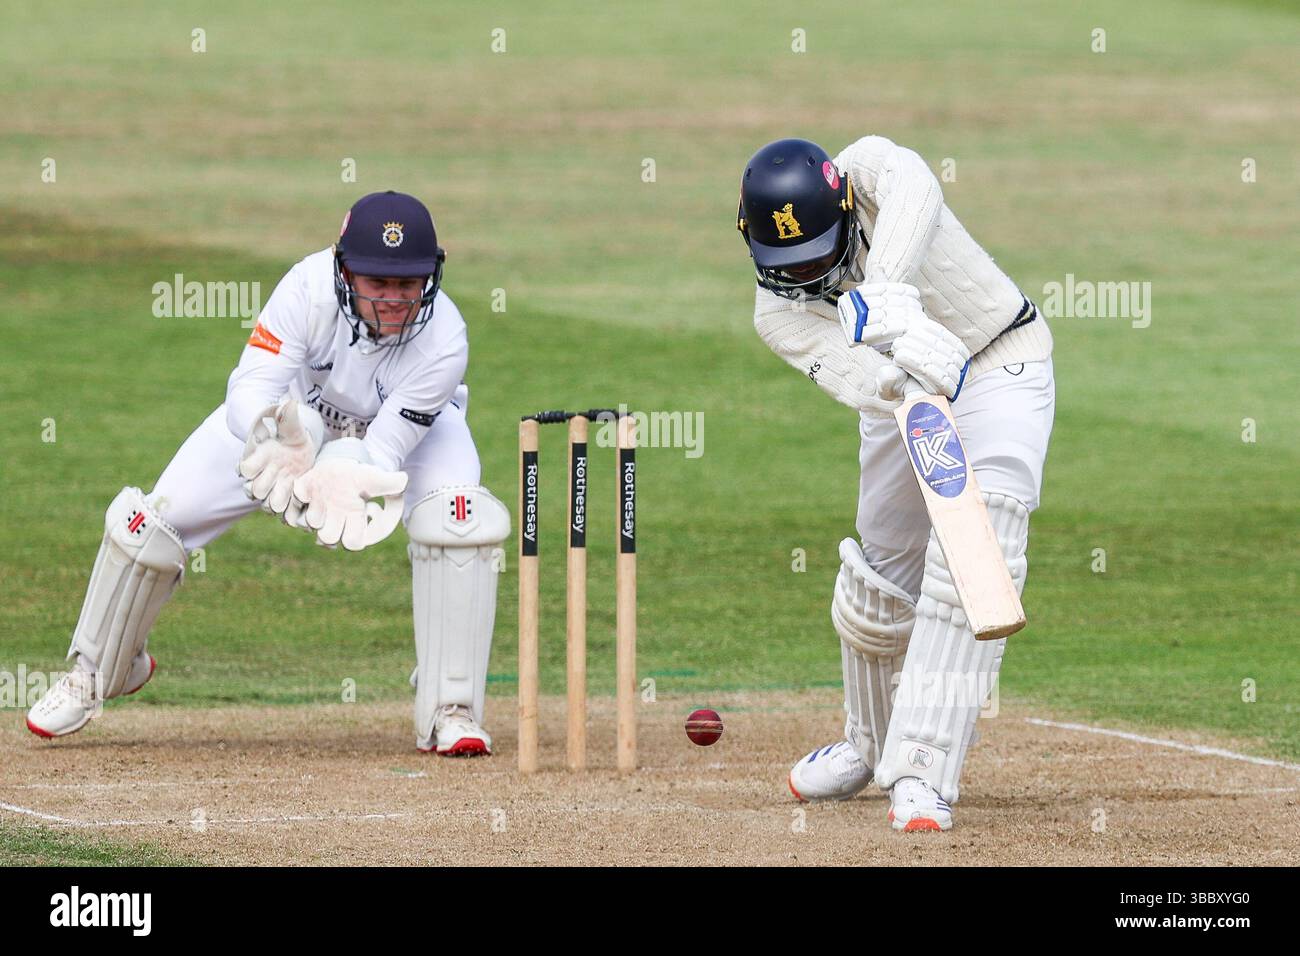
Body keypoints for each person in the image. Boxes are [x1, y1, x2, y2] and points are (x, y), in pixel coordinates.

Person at [27, 191, 509, 757]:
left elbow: (384, 449)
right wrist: (272, 435)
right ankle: (97, 673)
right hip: (292, 417)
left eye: (407, 284)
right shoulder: (305, 289)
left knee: (460, 520)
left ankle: (450, 708)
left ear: (431, 276)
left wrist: (338, 480)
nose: (392, 299)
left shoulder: (445, 339)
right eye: (377, 282)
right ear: (344, 269)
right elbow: (250, 386)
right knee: (147, 523)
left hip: (407, 434)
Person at [737, 137, 1055, 830]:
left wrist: (888, 302)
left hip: (1002, 363)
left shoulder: (874, 168)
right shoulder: (776, 314)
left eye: (822, 252)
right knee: (878, 583)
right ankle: (869, 745)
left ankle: (921, 769)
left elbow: (920, 190)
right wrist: (902, 365)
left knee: (975, 547)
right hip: (896, 400)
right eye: (792, 265)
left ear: (846, 207)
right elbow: (863, 381)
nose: (811, 273)